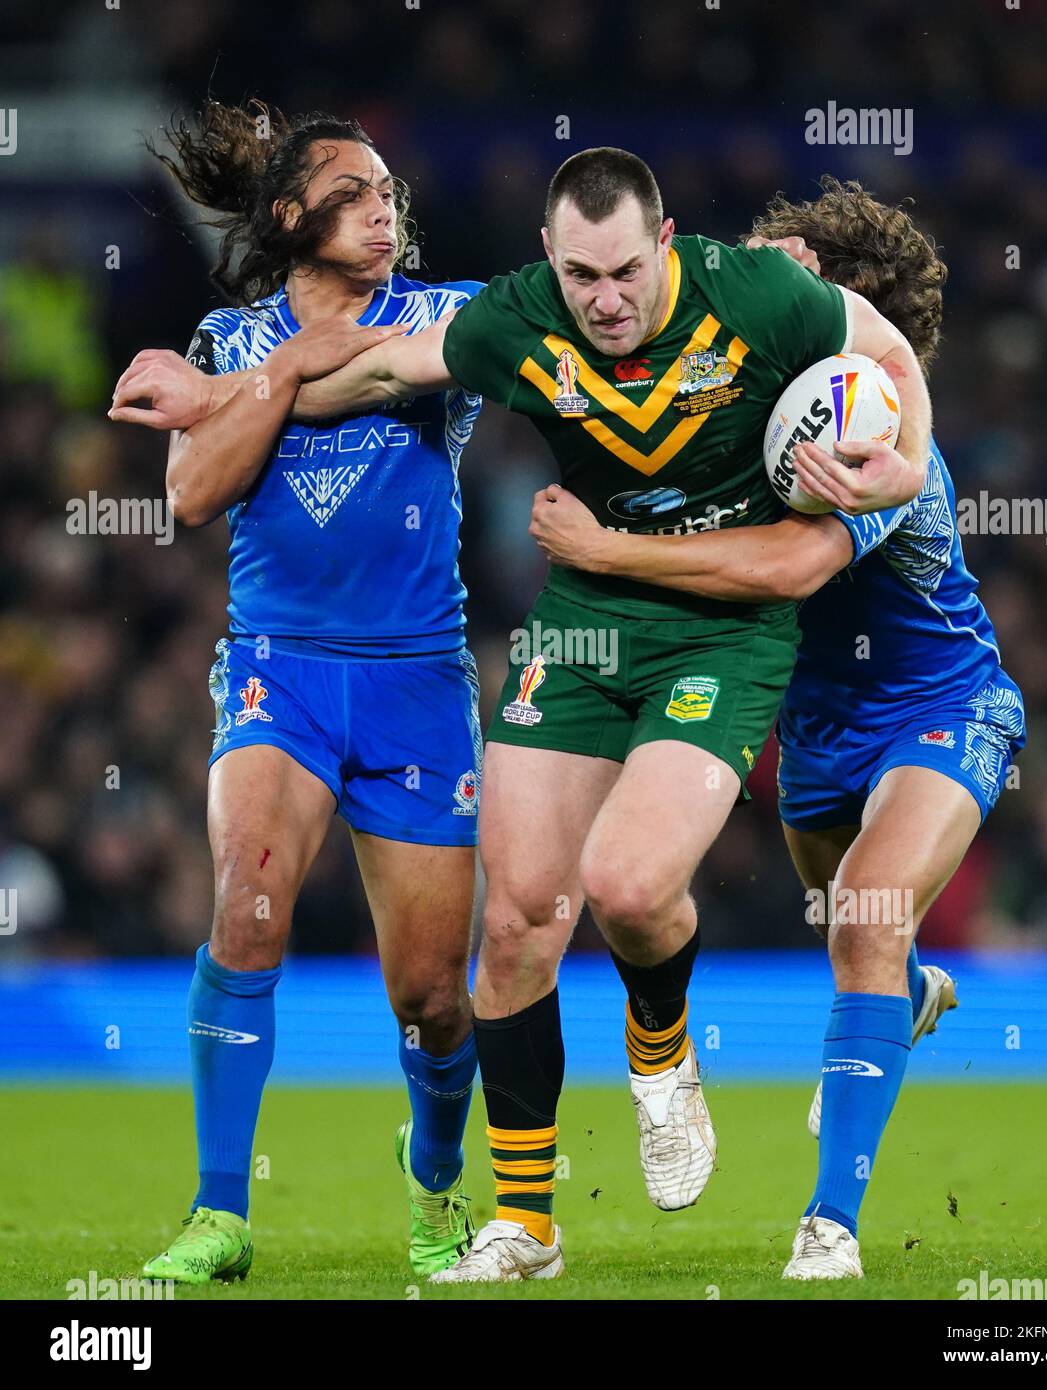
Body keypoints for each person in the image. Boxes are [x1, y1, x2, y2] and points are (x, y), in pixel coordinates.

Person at [113, 148, 933, 1284]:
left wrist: (902, 466)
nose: (605, 300)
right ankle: (486, 1223)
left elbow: (878, 359)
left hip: (619, 642)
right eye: (583, 274)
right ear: (551, 258)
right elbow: (289, 423)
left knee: (562, 924)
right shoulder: (465, 321)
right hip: (441, 646)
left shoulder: (726, 298)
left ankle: (610, 1079)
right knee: (475, 927)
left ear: (664, 244)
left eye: (627, 272)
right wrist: (215, 393)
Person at [527, 177, 1025, 1280]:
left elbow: (798, 564)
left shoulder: (863, 411)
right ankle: (906, 1000)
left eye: (778, 269)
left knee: (862, 918)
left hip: (940, 707)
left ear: (843, 295)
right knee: (856, 935)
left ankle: (830, 1226)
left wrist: (605, 549)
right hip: (815, 734)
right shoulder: (738, 419)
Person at [108, 100, 485, 1282]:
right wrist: (272, 370)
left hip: (420, 679)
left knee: (430, 996)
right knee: (244, 908)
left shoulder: (449, 314)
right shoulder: (231, 337)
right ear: (291, 216)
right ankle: (221, 1212)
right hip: (281, 668)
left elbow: (384, 377)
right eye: (354, 194)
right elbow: (191, 491)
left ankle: (432, 1181)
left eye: (389, 195)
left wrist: (266, 383)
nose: (384, 211)